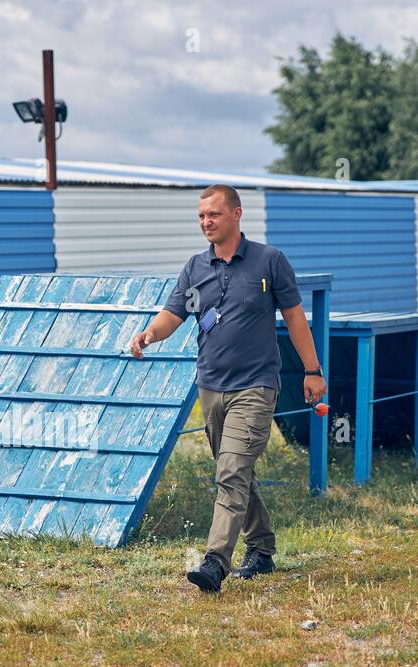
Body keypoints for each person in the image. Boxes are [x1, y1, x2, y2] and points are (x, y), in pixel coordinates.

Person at [127, 184, 327, 592]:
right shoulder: (194, 267)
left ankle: (215, 562)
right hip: (211, 386)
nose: (206, 223)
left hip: (255, 384)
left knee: (232, 471)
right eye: (201, 216)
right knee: (233, 470)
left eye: (214, 215)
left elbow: (294, 319)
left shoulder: (269, 262)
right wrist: (149, 334)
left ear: (237, 214)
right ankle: (263, 547)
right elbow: (172, 314)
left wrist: (313, 370)